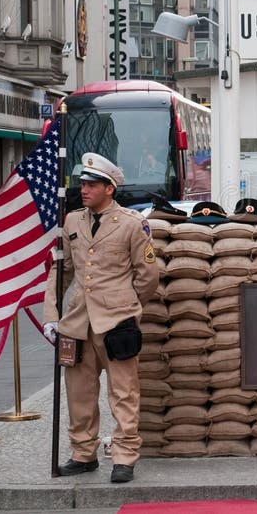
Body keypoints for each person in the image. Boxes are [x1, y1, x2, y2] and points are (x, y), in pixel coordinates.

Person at [43, 153, 159, 483]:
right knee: (79, 394)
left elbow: (148, 274)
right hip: (78, 322)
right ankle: (83, 454)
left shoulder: (132, 224)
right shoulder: (72, 222)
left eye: (91, 185)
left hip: (116, 322)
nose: (84, 190)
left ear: (110, 188)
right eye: (82, 184)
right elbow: (60, 270)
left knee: (123, 394)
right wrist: (52, 315)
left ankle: (124, 456)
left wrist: (128, 304)